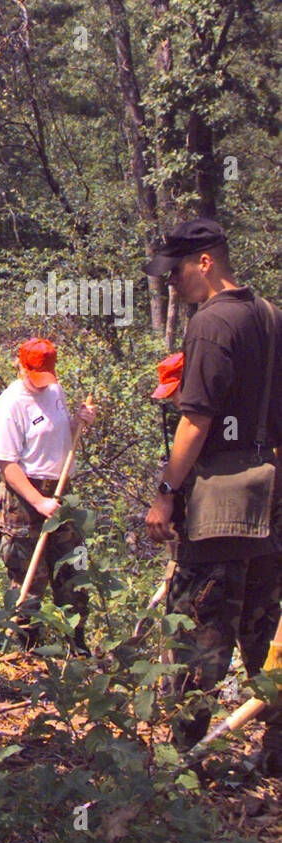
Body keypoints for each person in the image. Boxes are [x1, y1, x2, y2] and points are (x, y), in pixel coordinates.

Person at [141, 219, 282, 770]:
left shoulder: (211, 323)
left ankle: (182, 764)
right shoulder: (271, 316)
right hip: (270, 497)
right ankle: (274, 753)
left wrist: (164, 493)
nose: (171, 284)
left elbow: (196, 421)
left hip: (222, 504)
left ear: (205, 262)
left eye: (175, 273)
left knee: (199, 633)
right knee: (263, 632)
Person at [0, 338, 97, 653]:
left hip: (61, 489)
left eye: (45, 376)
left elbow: (62, 434)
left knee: (73, 571)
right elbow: (6, 464)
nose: (40, 383)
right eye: (34, 375)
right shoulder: (11, 403)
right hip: (25, 495)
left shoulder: (55, 391)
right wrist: (38, 501)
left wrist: (81, 421)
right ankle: (27, 651)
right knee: (29, 579)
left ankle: (75, 647)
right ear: (21, 366)